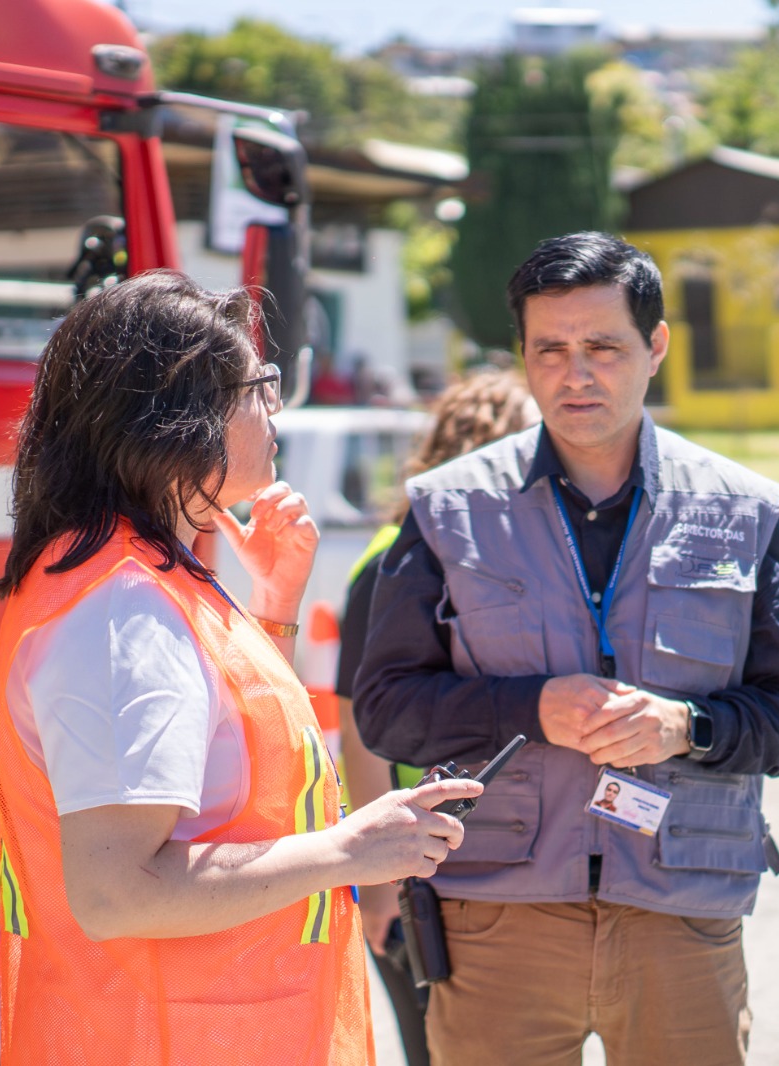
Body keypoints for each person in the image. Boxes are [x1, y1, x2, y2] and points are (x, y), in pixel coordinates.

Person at [354, 231, 779, 1066]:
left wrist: (688, 727)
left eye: (603, 347)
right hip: (495, 923)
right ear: (524, 356)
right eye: (551, 349)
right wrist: (529, 709)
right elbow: (386, 709)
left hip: (680, 918)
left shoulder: (743, 508)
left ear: (655, 348)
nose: (575, 373)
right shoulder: (447, 508)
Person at [0, 272, 482, 1065]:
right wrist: (352, 848)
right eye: (260, 385)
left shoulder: (144, 582)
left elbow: (218, 776)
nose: (276, 408)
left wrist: (274, 606)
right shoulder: (124, 614)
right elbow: (119, 891)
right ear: (181, 419)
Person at [332, 368, 540, 1066]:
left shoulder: (478, 558)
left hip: (457, 858)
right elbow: (358, 730)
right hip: (415, 873)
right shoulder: (399, 561)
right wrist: (379, 885)